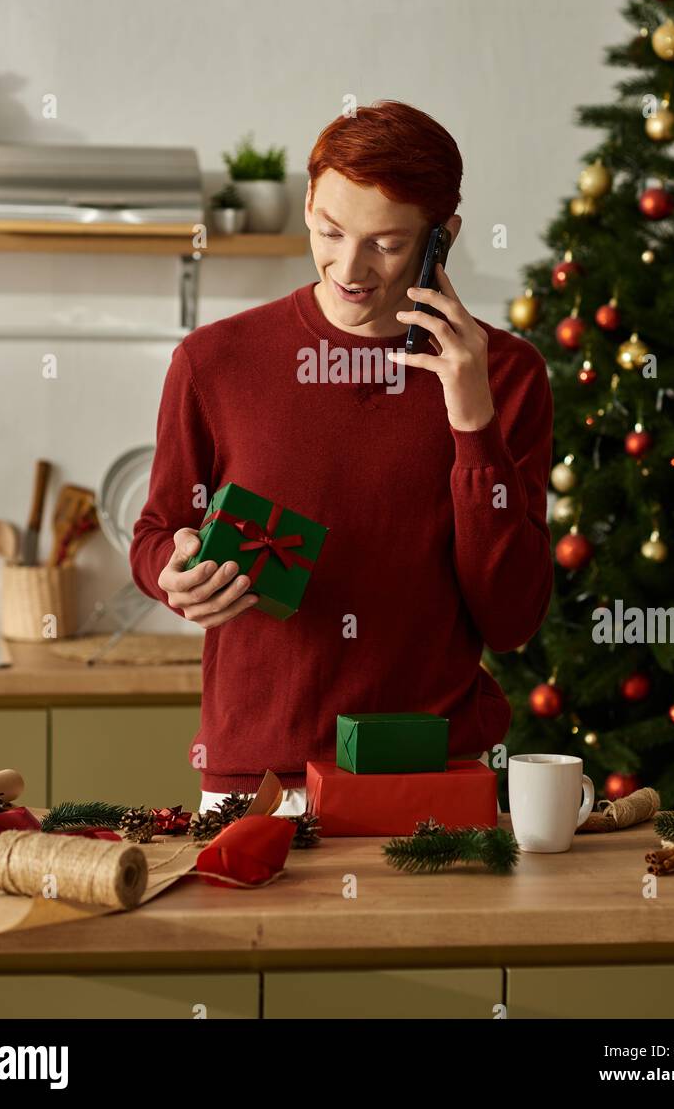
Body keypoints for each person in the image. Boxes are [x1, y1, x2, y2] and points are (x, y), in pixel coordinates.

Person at [130, 99, 554, 817]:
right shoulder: (215, 362)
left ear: (441, 239)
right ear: (306, 205)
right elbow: (157, 531)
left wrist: (472, 422)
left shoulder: (504, 374)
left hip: (430, 772)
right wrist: (170, 574)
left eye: (385, 244)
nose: (348, 268)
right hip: (255, 778)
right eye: (328, 231)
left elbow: (510, 617)